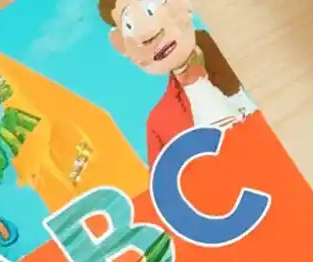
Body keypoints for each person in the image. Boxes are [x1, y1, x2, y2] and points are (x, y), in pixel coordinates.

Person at [97, 0, 256, 163]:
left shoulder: (239, 40)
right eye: (129, 26)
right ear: (122, 46)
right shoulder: (159, 123)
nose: (149, 35)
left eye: (152, 9)